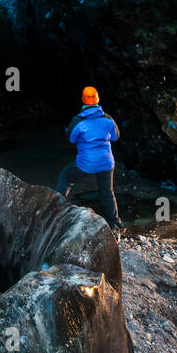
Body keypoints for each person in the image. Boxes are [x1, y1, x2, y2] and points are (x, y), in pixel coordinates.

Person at [55, 85, 122, 239]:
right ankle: (114, 226)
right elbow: (115, 137)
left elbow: (71, 139)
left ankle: (55, 212)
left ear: (83, 100)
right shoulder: (108, 118)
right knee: (107, 192)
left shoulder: (78, 120)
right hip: (106, 162)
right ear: (97, 99)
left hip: (86, 163)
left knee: (66, 177)